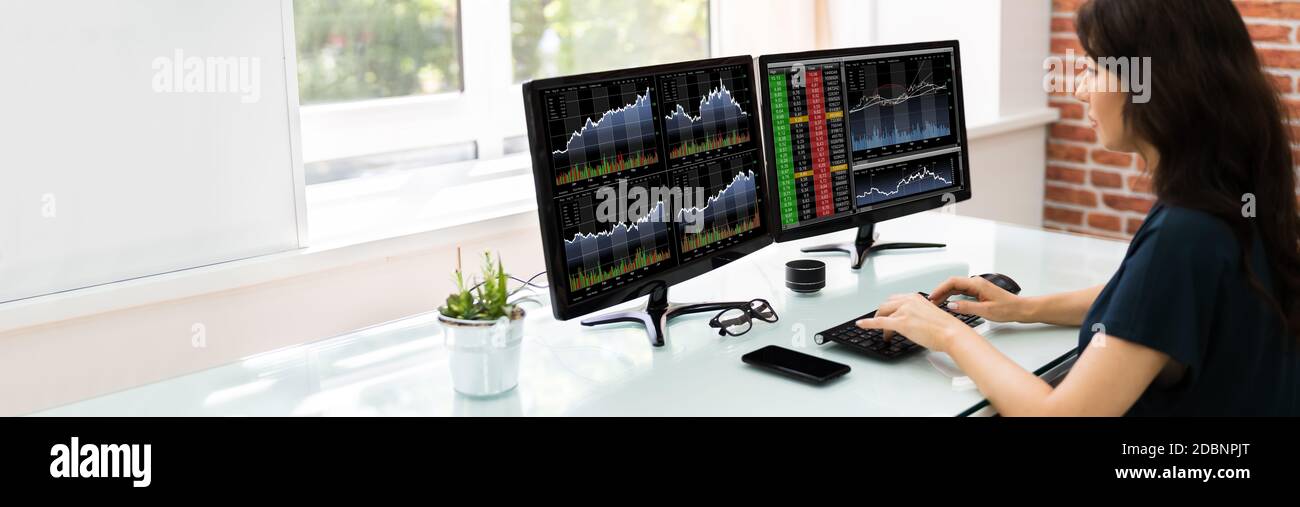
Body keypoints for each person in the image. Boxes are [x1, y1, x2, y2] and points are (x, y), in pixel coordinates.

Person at [858, 0, 1299, 416]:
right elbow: (1145, 303)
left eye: (1092, 68)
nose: (1080, 89)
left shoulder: (1184, 234)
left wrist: (946, 333)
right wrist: (1024, 308)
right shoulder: (1232, 190)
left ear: (1158, 83)